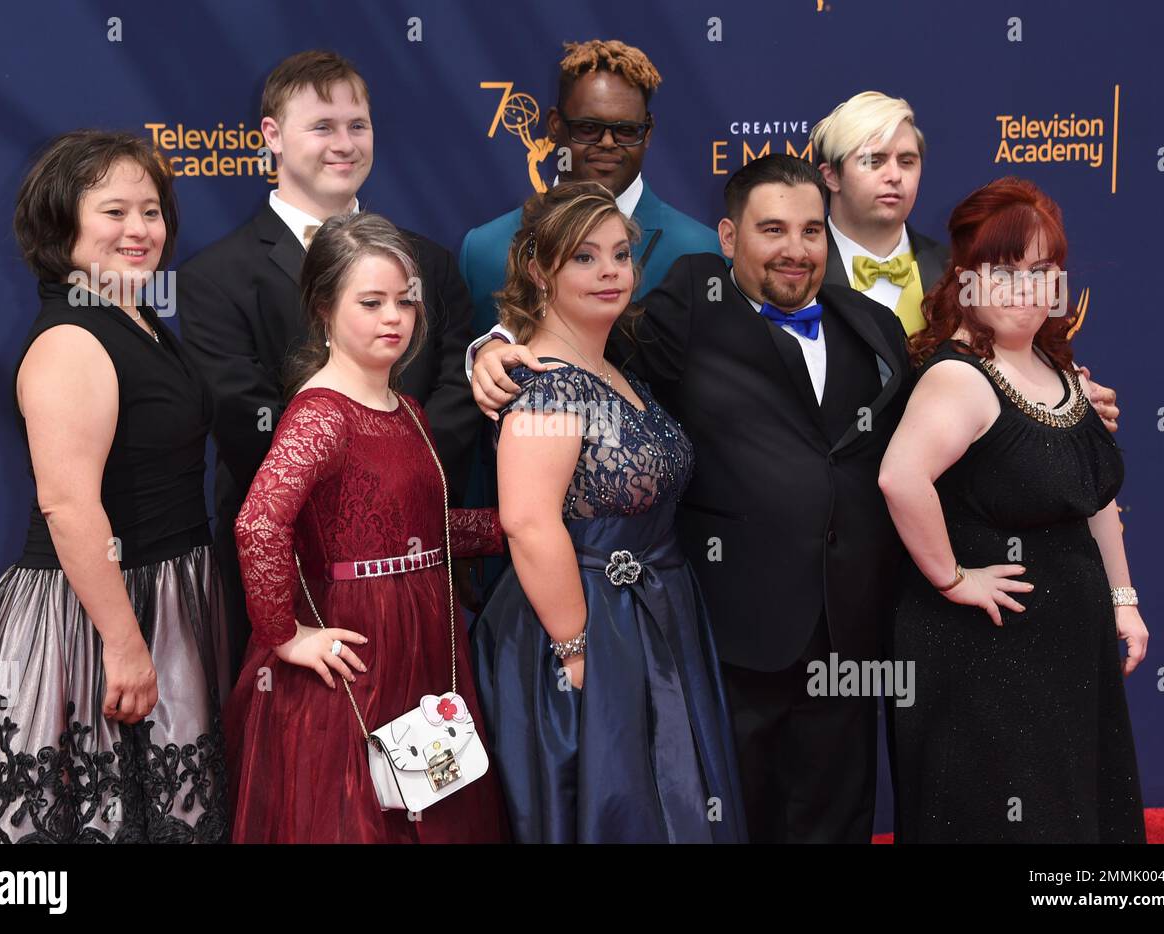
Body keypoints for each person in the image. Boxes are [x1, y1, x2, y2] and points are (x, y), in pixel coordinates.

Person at [471, 155, 912, 843]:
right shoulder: (686, 308)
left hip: (833, 628)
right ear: (729, 238)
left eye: (811, 231)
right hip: (710, 632)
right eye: (772, 230)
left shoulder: (875, 328)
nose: (795, 250)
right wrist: (492, 348)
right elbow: (529, 512)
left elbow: (935, 422)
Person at [0, 131, 230, 843]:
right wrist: (125, 644)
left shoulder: (136, 320)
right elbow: (68, 504)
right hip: (89, 621)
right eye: (114, 212)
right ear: (61, 226)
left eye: (151, 211)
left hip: (162, 598)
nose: (139, 230)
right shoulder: (72, 339)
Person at [177, 50, 482, 678]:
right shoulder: (215, 277)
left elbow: (458, 383)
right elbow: (243, 418)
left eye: (358, 124)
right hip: (299, 582)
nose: (344, 143)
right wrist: (358, 506)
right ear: (271, 137)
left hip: (421, 574)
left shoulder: (430, 261)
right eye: (322, 126)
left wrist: (399, 495)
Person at [470, 182, 746, 843]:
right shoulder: (549, 382)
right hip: (587, 624)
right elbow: (528, 522)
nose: (610, 273)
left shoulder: (616, 369)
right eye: (584, 258)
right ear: (540, 270)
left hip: (651, 616)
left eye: (620, 255)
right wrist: (577, 650)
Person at [878, 177, 1147, 843]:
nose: (1029, 290)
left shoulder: (1061, 369)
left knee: (1078, 814)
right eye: (1007, 272)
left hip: (1069, 643)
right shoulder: (958, 376)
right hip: (986, 655)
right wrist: (951, 577)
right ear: (966, 276)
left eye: (1044, 272)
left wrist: (1123, 597)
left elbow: (1095, 497)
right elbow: (900, 479)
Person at [225, 212, 507, 843]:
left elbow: (418, 530)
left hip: (426, 627)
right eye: (371, 302)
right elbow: (259, 525)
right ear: (324, 307)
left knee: (430, 799)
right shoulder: (322, 413)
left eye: (406, 301)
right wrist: (284, 636)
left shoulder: (406, 406)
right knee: (355, 812)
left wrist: (511, 527)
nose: (394, 318)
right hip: (357, 643)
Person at [812, 91, 1120, 429]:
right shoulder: (797, 276)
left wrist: (1072, 399)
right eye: (874, 161)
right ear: (831, 176)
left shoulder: (963, 273)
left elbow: (1017, 362)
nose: (894, 175)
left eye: (907, 161)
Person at [460, 39, 719, 339]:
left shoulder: (700, 251)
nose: (608, 143)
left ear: (647, 134)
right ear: (555, 125)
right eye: (588, 128)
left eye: (626, 131)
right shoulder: (484, 251)